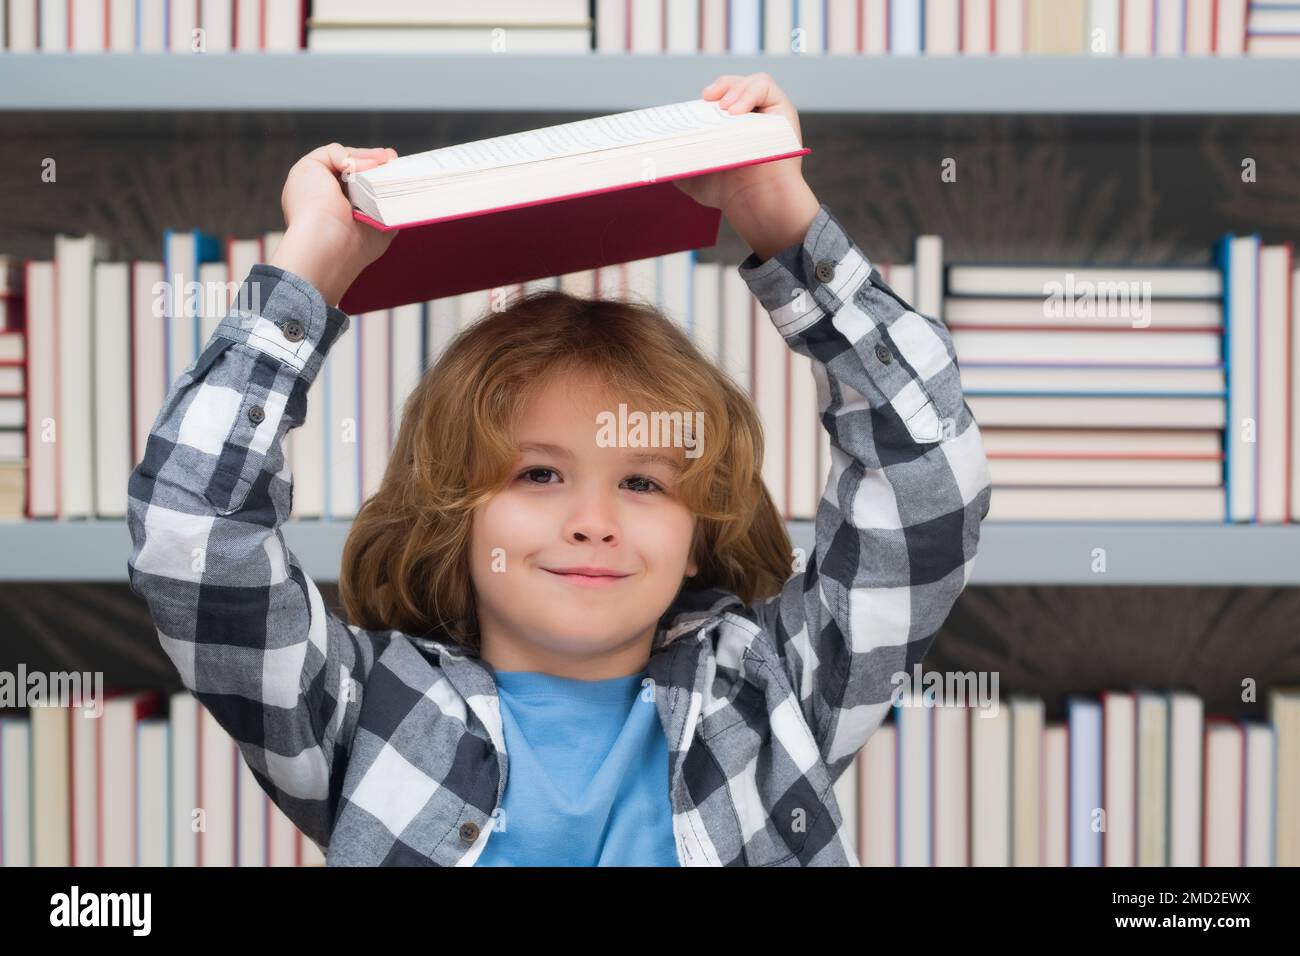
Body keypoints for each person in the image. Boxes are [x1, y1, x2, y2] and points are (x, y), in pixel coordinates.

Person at [126, 72, 992, 866]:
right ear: (455, 514)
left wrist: (781, 218)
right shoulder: (363, 714)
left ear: (700, 536)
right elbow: (190, 537)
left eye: (645, 482)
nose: (592, 520)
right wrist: (312, 269)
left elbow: (928, 478)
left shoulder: (780, 697)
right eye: (538, 475)